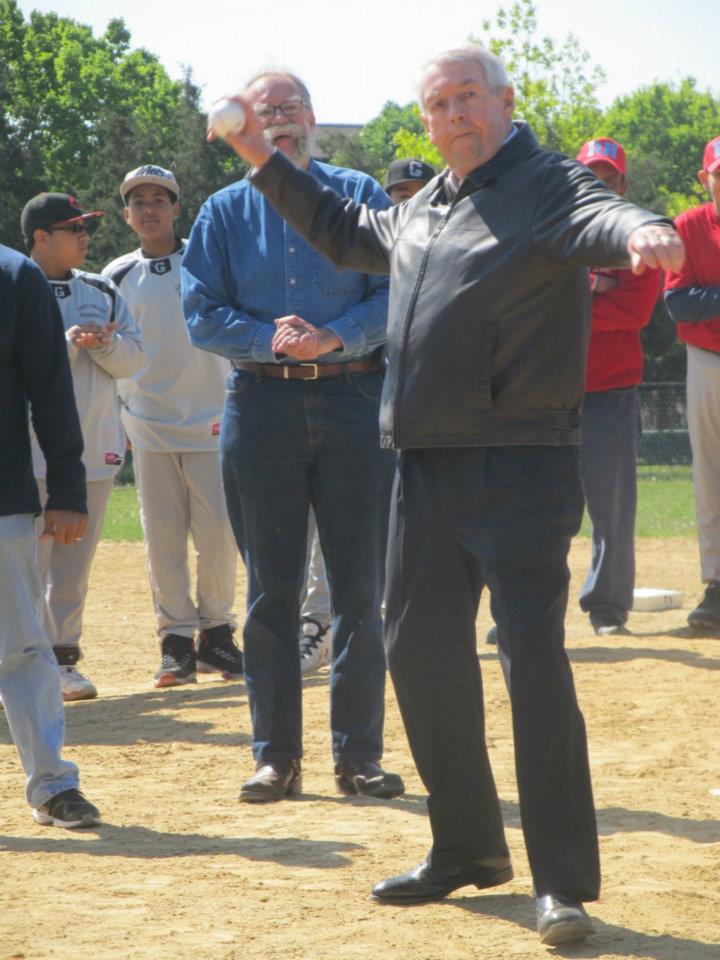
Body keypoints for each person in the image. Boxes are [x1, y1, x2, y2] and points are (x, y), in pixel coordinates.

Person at [216, 47, 684, 944]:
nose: (455, 114)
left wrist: (641, 230)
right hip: (422, 466)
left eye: (468, 96)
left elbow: (601, 210)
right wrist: (261, 159)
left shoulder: (545, 184)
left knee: (531, 667)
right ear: (424, 121)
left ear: (505, 101)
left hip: (519, 464)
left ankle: (562, 882)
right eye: (438, 103)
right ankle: (467, 847)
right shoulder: (425, 204)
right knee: (420, 659)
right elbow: (345, 228)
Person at [183, 70, 404, 803]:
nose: (278, 118)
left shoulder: (360, 195)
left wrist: (335, 337)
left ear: (311, 116)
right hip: (262, 406)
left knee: (358, 593)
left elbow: (393, 292)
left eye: (289, 106)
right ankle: (276, 755)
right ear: (247, 122)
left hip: (354, 401)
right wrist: (270, 339)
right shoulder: (221, 211)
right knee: (269, 595)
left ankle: (358, 757)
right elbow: (200, 311)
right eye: (263, 109)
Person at [103, 165, 241, 688]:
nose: (149, 209)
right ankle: (176, 644)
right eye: (138, 200)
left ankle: (218, 635)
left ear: (178, 208)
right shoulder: (115, 275)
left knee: (218, 536)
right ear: (126, 213)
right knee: (162, 540)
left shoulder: (206, 261)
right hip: (149, 426)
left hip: (213, 421)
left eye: (159, 199)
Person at [23, 193, 143, 701]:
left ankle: (64, 660)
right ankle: (22, 662)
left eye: (86, 227)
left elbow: (136, 359)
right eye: (73, 228)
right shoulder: (14, 285)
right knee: (26, 566)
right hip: (27, 453)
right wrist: (68, 343)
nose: (85, 237)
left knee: (73, 569)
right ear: (40, 237)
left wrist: (106, 344)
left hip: (94, 448)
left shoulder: (102, 289)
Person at [0, 241, 101, 828]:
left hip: (1, 495)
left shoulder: (15, 277)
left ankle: (52, 784)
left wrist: (66, 488)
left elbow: (51, 390)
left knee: (22, 644)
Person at [665, 135, 720, 631]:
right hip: (708, 362)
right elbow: (677, 303)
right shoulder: (689, 226)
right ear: (705, 180)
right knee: (710, 473)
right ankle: (717, 585)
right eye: (719, 175)